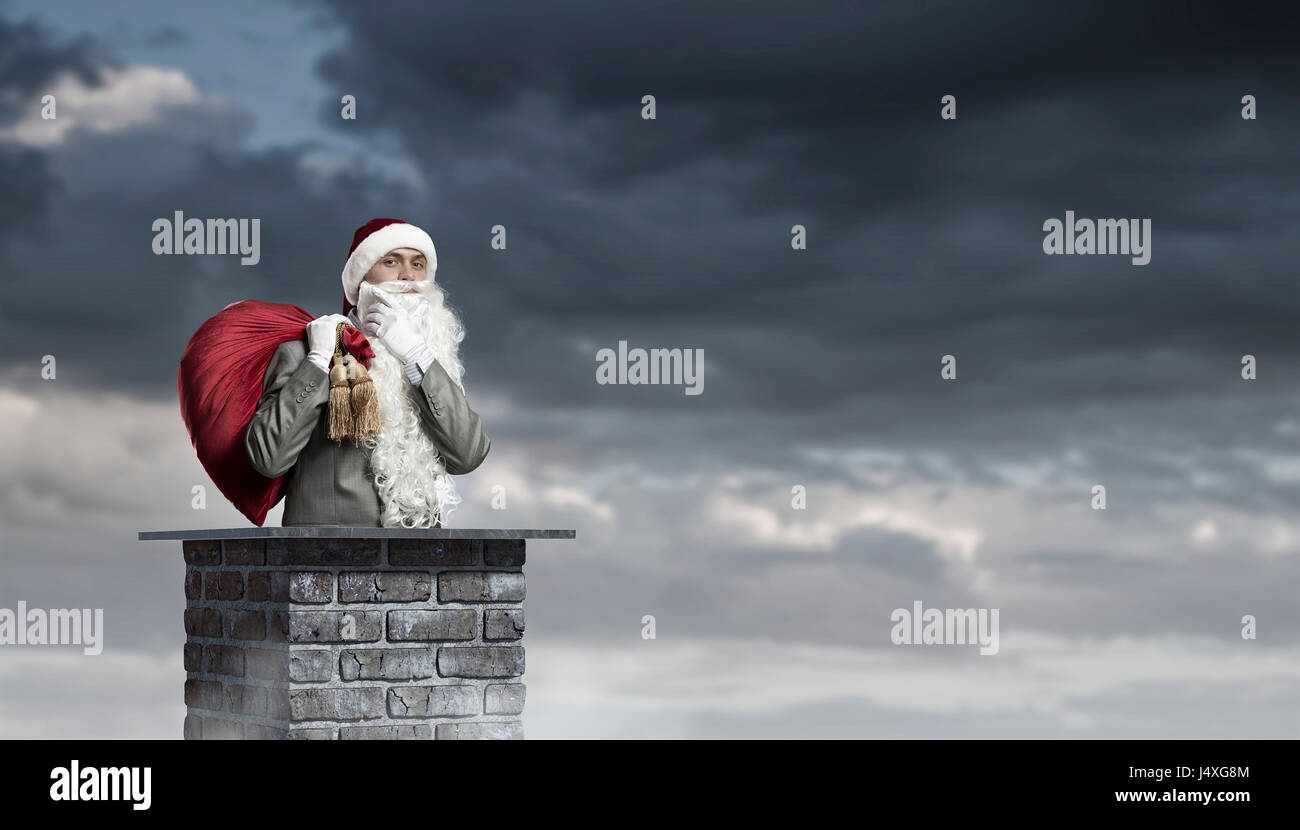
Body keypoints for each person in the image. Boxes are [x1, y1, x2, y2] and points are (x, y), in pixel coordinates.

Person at [244, 218, 490, 527]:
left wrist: (416, 354)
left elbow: (468, 455)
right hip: (327, 560)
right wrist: (318, 361)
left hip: (418, 563)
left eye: (418, 264)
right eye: (391, 261)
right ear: (361, 279)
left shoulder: (428, 362)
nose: (408, 276)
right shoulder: (303, 354)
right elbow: (268, 459)